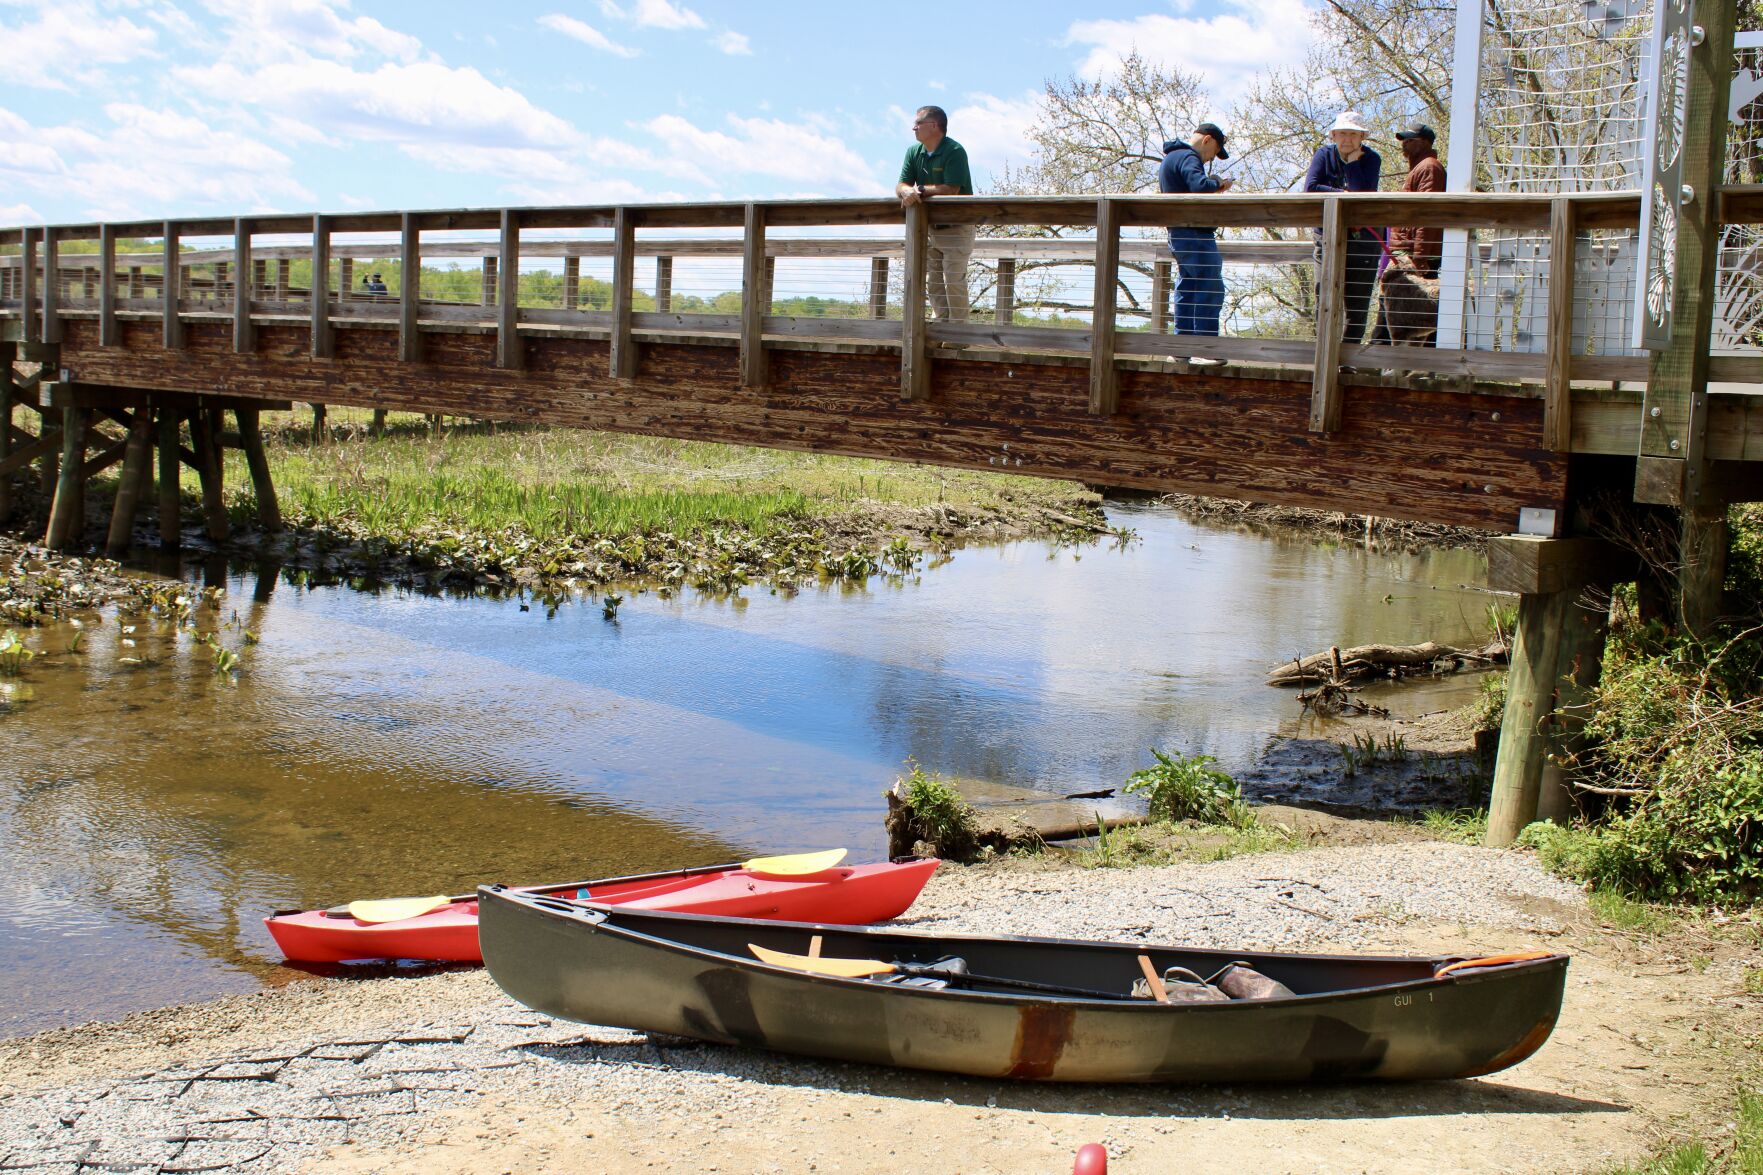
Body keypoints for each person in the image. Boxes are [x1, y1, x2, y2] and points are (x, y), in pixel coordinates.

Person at [1303, 110, 1382, 354]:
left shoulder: (1371, 159)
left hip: (1363, 241)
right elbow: (1311, 188)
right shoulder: (1323, 155)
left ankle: (1348, 359)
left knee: (1357, 304)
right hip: (1326, 237)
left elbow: (1363, 193)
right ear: (1334, 135)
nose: (1347, 139)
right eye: (1342, 134)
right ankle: (1325, 354)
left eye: (1353, 134)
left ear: (1362, 138)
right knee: (1324, 297)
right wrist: (1342, 193)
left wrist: (1354, 164)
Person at [1157, 121, 1235, 366]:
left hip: (1179, 232)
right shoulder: (1189, 157)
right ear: (1207, 140)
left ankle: (1182, 348)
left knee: (1188, 286)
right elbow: (1199, 185)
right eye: (1214, 152)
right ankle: (1205, 347)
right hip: (1194, 233)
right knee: (1209, 285)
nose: (1212, 158)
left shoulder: (1172, 157)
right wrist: (1218, 183)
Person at [896, 105, 975, 325]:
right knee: (934, 282)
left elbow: (952, 189)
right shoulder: (914, 152)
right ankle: (940, 328)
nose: (914, 128)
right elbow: (902, 183)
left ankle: (959, 334)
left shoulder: (954, 151)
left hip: (957, 228)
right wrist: (905, 191)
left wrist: (919, 191)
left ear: (934, 125)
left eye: (918, 123)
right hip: (930, 228)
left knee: (954, 281)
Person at [1378, 121, 1447, 347]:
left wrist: (1420, 257)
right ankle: (1396, 366)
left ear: (1425, 143)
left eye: (1411, 140)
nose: (1405, 145)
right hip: (1408, 252)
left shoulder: (1429, 168)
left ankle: (1381, 363)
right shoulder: (1420, 168)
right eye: (1404, 141)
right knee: (1395, 310)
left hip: (1413, 255)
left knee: (1395, 310)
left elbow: (1426, 214)